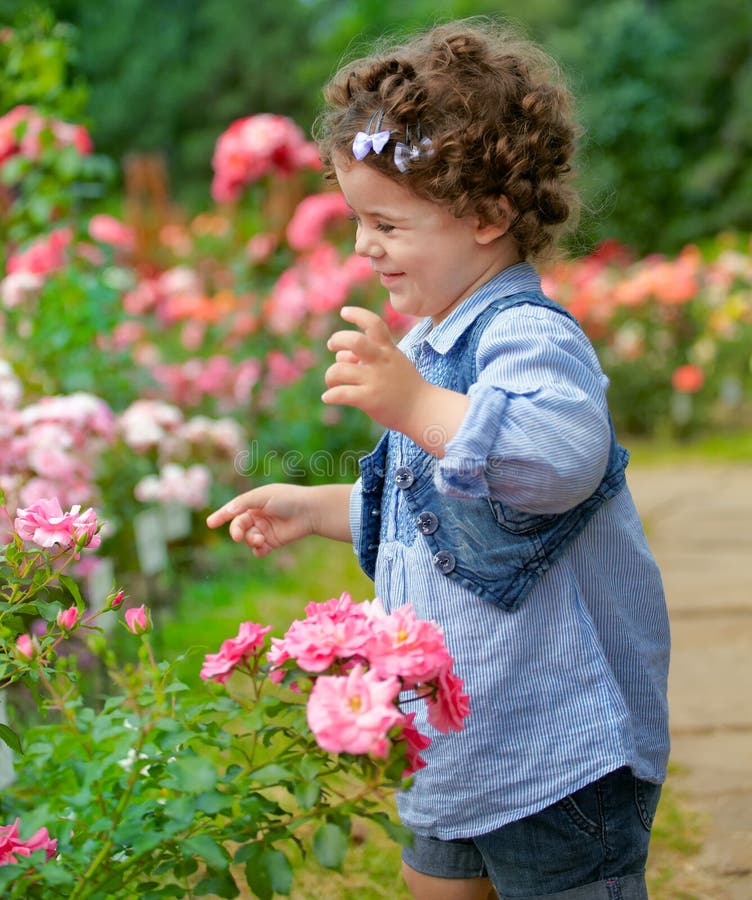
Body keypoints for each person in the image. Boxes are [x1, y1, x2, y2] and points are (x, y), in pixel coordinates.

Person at [207, 19, 670, 900]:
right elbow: (432, 512)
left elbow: (561, 459)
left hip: (553, 746)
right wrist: (315, 508)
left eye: (387, 223)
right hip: (459, 735)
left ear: (488, 217)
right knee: (436, 884)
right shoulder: (430, 341)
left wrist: (416, 406)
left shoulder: (526, 335)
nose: (362, 247)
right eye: (357, 221)